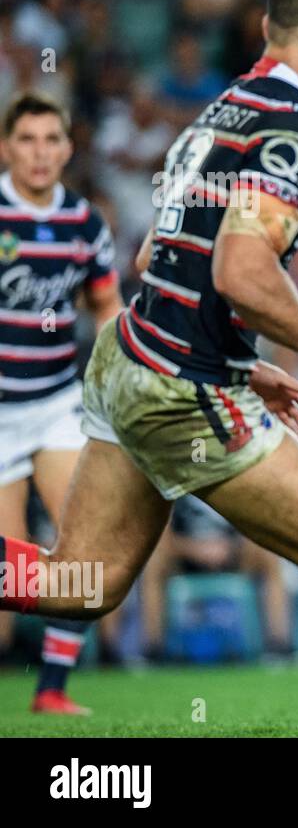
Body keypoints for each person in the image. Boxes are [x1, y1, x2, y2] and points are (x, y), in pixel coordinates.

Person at [0, 0, 298, 738]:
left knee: (78, 583)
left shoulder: (218, 114)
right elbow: (237, 267)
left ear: (265, 28)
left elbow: (155, 258)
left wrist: (244, 364)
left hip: (129, 354)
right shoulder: (294, 131)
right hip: (176, 387)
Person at [0, 92, 122, 714]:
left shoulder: (85, 222)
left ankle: (50, 690)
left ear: (69, 149)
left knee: (87, 551)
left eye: (52, 140)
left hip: (53, 404)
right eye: (27, 139)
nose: (40, 152)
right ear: (5, 147)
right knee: (12, 575)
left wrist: (115, 379)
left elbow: (106, 307)